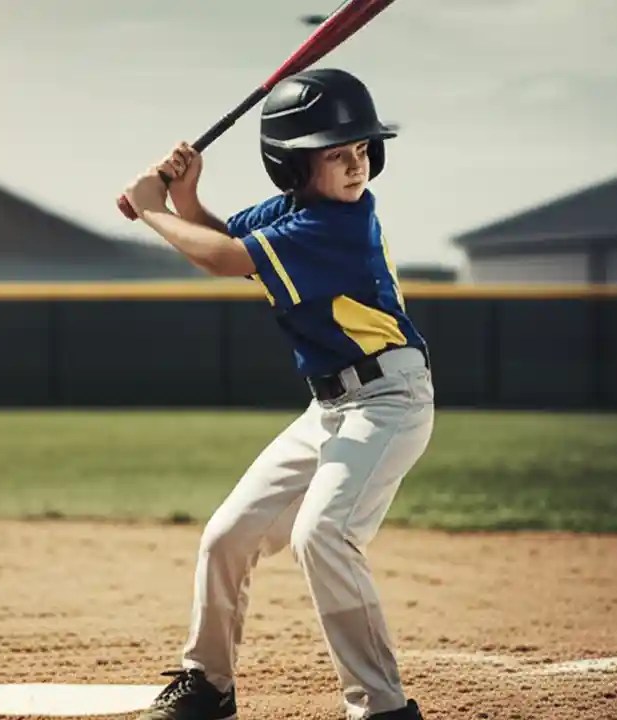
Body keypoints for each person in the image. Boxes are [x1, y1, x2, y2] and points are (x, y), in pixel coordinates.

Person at [120, 68, 433, 720]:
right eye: (335, 153)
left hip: (389, 402)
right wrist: (185, 193)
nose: (356, 165)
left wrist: (152, 208)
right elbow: (225, 238)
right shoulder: (298, 213)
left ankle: (383, 709)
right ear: (291, 168)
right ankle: (206, 685)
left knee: (324, 534)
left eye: (361, 150)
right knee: (227, 536)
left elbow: (223, 261)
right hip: (331, 410)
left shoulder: (338, 225)